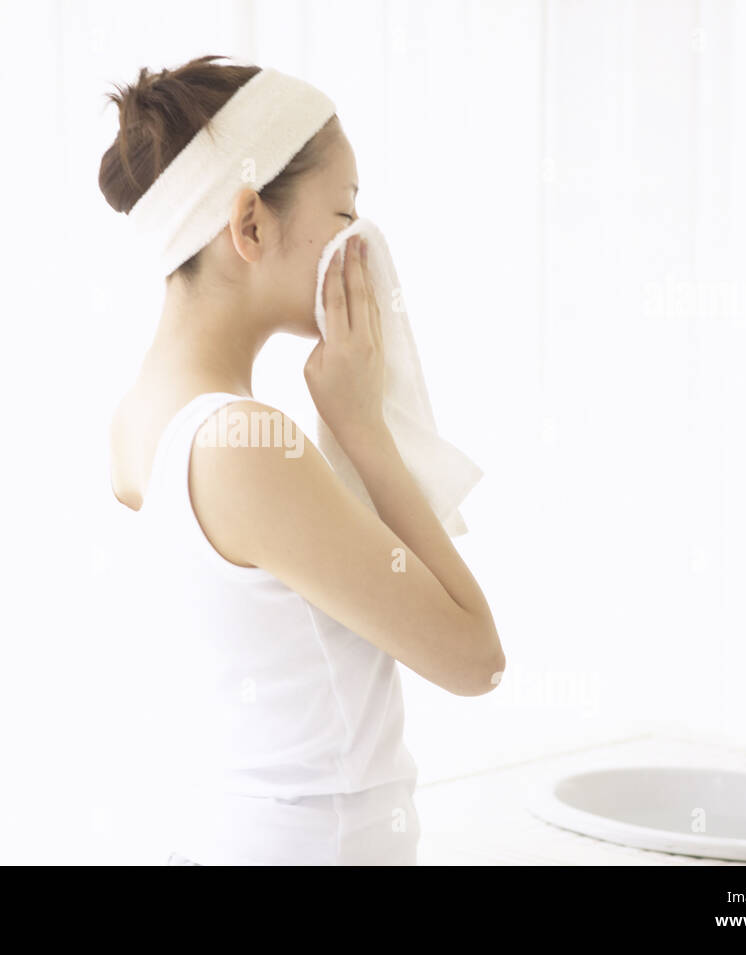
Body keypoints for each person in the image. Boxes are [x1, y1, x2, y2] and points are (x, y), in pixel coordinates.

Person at [100, 55, 505, 865]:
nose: (360, 239)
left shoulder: (136, 421)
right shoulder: (247, 448)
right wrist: (362, 429)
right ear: (249, 225)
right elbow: (475, 658)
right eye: (345, 209)